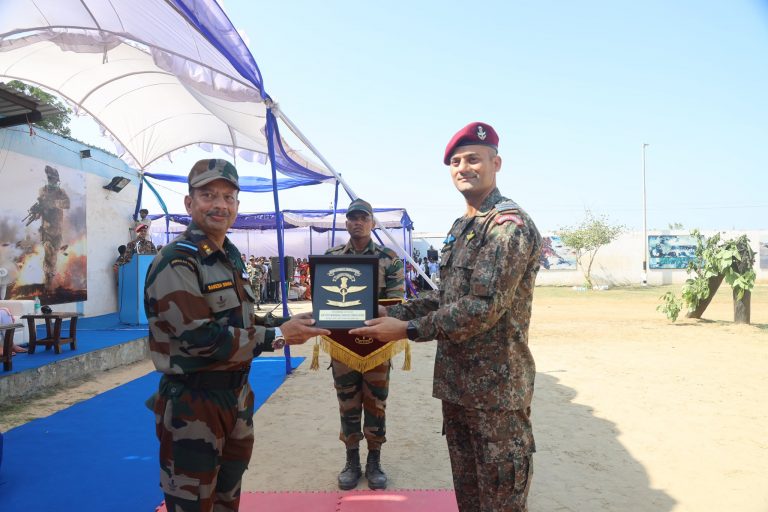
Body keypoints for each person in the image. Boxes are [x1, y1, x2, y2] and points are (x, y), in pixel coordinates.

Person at [350, 122, 542, 511]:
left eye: (473, 159)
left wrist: (406, 328)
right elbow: (448, 297)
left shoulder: (507, 227)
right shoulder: (463, 227)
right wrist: (391, 310)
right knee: (469, 497)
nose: (463, 167)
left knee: (501, 500)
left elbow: (481, 308)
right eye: (455, 161)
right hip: (459, 387)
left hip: (496, 395)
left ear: (496, 163)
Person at [144, 159, 329, 512]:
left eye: (229, 197)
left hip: (236, 398)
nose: (220, 205)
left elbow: (238, 316)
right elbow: (200, 337)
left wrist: (289, 322)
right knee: (193, 503)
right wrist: (277, 336)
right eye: (208, 195)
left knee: (228, 498)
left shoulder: (227, 256)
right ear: (189, 203)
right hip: (193, 407)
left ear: (237, 206)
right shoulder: (177, 261)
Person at [325, 198, 404, 490]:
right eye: (352, 218)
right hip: (343, 344)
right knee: (347, 403)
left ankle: (374, 460)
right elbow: (324, 297)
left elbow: (396, 304)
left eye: (363, 217)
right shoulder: (331, 256)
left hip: (377, 343)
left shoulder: (388, 258)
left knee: (376, 402)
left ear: (371, 222)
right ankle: (351, 460)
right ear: (346, 222)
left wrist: (377, 311)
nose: (357, 222)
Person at [24, 165, 70, 291]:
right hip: (47, 229)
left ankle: (51, 280)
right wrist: (37, 212)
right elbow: (41, 209)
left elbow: (67, 204)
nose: (52, 180)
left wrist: (53, 203)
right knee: (49, 254)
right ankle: (48, 282)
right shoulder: (42, 191)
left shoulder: (61, 192)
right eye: (50, 178)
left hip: (58, 230)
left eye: (54, 178)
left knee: (53, 255)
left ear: (57, 179)